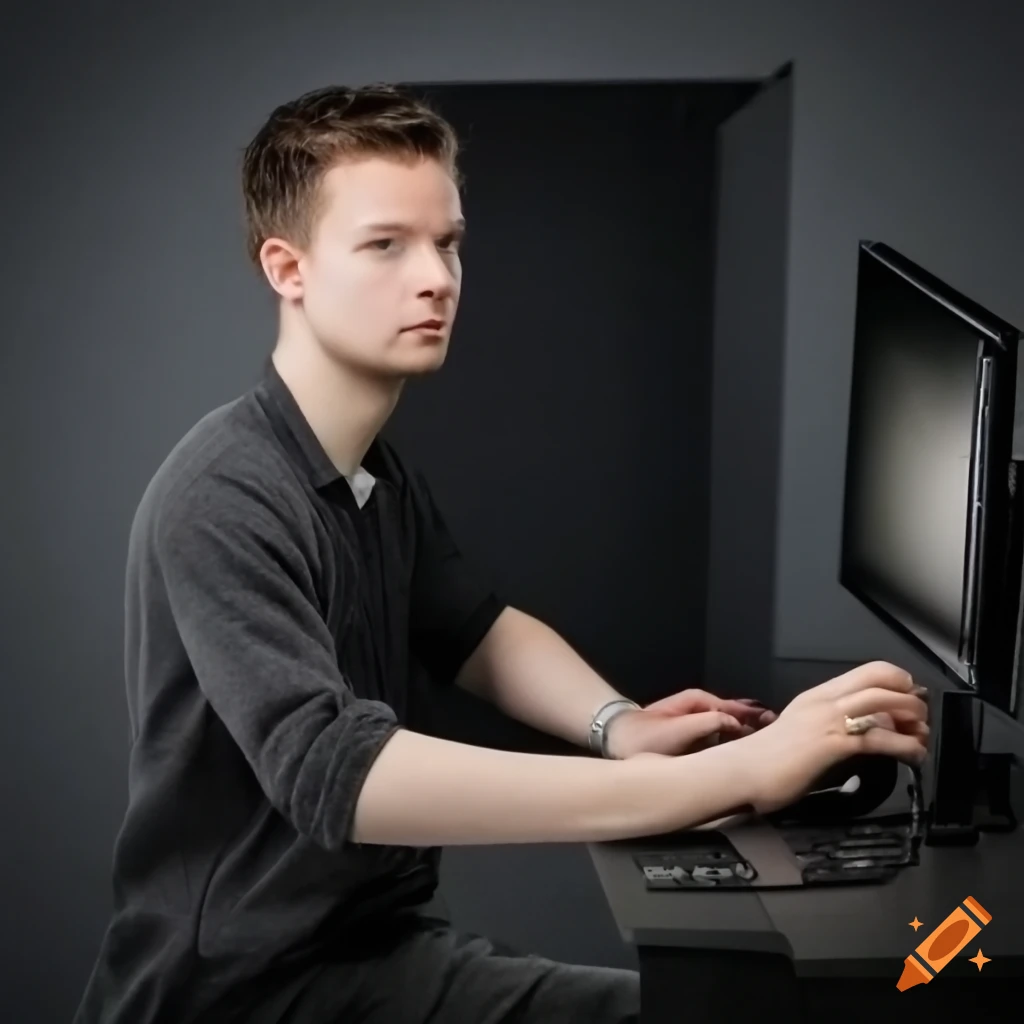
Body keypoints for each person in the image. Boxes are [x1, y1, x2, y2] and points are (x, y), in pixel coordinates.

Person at [73, 83, 929, 1024]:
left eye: (447, 242)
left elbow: (475, 628)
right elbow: (339, 777)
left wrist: (618, 725)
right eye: (385, 245)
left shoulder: (370, 475)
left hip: (370, 948)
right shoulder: (225, 496)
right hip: (239, 996)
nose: (437, 276)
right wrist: (721, 778)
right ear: (289, 268)